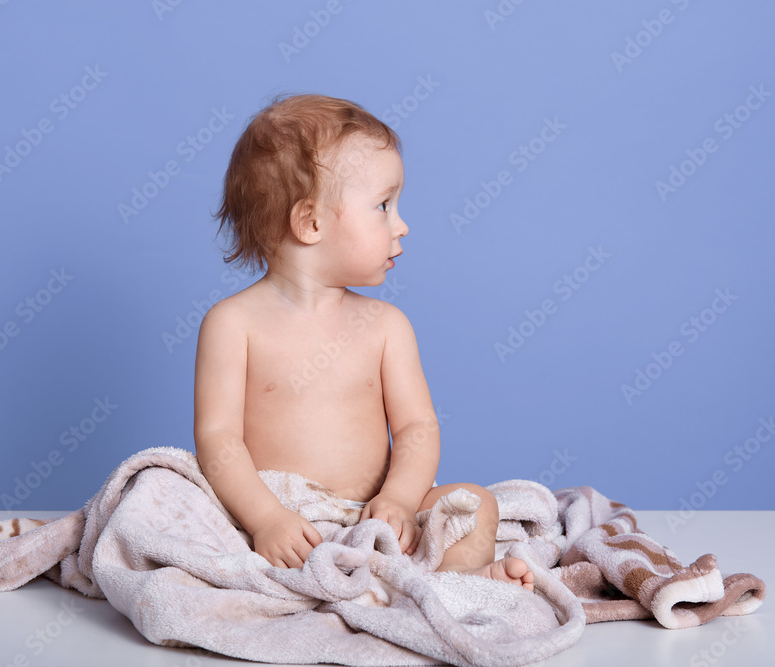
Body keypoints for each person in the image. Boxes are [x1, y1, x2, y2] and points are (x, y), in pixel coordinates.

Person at [193, 93, 534, 591]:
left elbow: (417, 426)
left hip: (371, 515)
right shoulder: (232, 324)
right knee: (164, 499)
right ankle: (351, 584)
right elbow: (218, 440)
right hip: (279, 521)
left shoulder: (385, 325)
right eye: (383, 206)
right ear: (310, 222)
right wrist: (265, 518)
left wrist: (398, 498)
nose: (402, 225)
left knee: (475, 503)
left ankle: (459, 584)